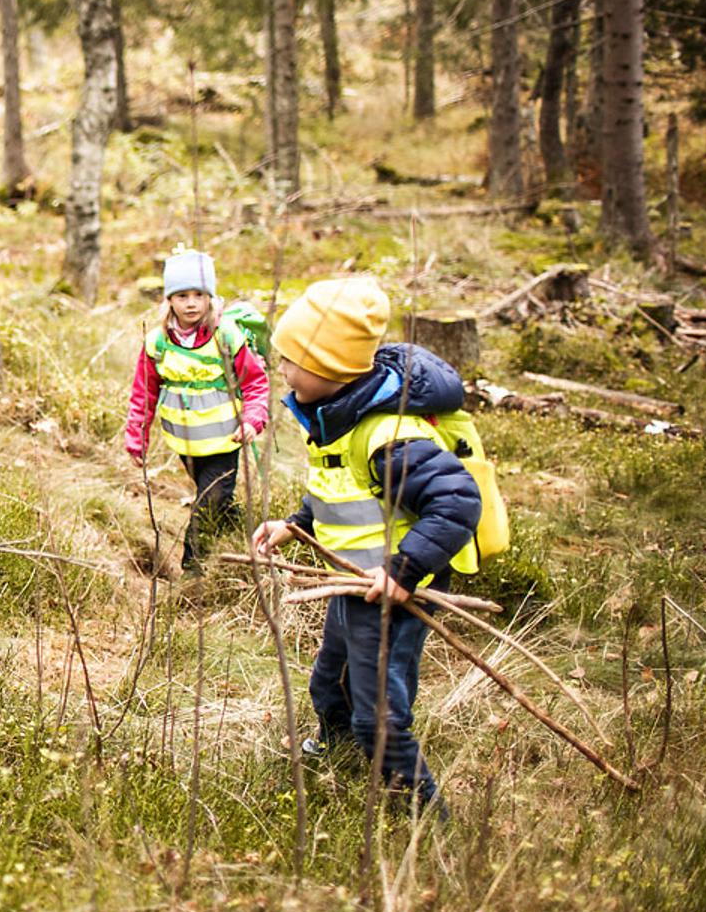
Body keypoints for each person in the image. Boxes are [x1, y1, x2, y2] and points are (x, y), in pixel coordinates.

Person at [251, 275, 480, 817]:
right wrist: (295, 524)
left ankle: (422, 811)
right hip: (353, 580)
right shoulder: (336, 417)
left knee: (378, 712)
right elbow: (340, 487)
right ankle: (338, 753)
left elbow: (457, 502)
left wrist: (404, 571)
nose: (282, 370)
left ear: (329, 368)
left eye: (291, 361)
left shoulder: (387, 436)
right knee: (330, 680)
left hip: (393, 587)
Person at [123, 247, 268, 569]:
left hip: (226, 439)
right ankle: (240, 536)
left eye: (199, 295)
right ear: (169, 300)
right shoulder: (158, 342)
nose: (191, 303)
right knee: (216, 501)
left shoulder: (226, 336)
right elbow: (143, 393)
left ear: (210, 298)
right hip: (185, 443)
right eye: (182, 295)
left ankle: (192, 569)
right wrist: (136, 438)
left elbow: (255, 383)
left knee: (209, 502)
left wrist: (252, 421)